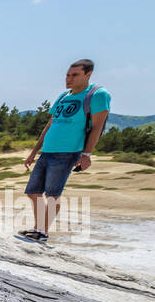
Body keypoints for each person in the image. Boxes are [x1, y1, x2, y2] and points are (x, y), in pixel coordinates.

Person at [22, 59, 111, 240]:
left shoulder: (97, 94)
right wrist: (34, 151)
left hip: (68, 151)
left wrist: (86, 154)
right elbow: (49, 125)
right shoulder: (63, 96)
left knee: (53, 194)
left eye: (75, 75)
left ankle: (42, 232)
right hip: (47, 150)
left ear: (88, 75)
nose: (69, 79)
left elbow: (97, 127)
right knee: (33, 191)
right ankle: (38, 228)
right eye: (68, 75)